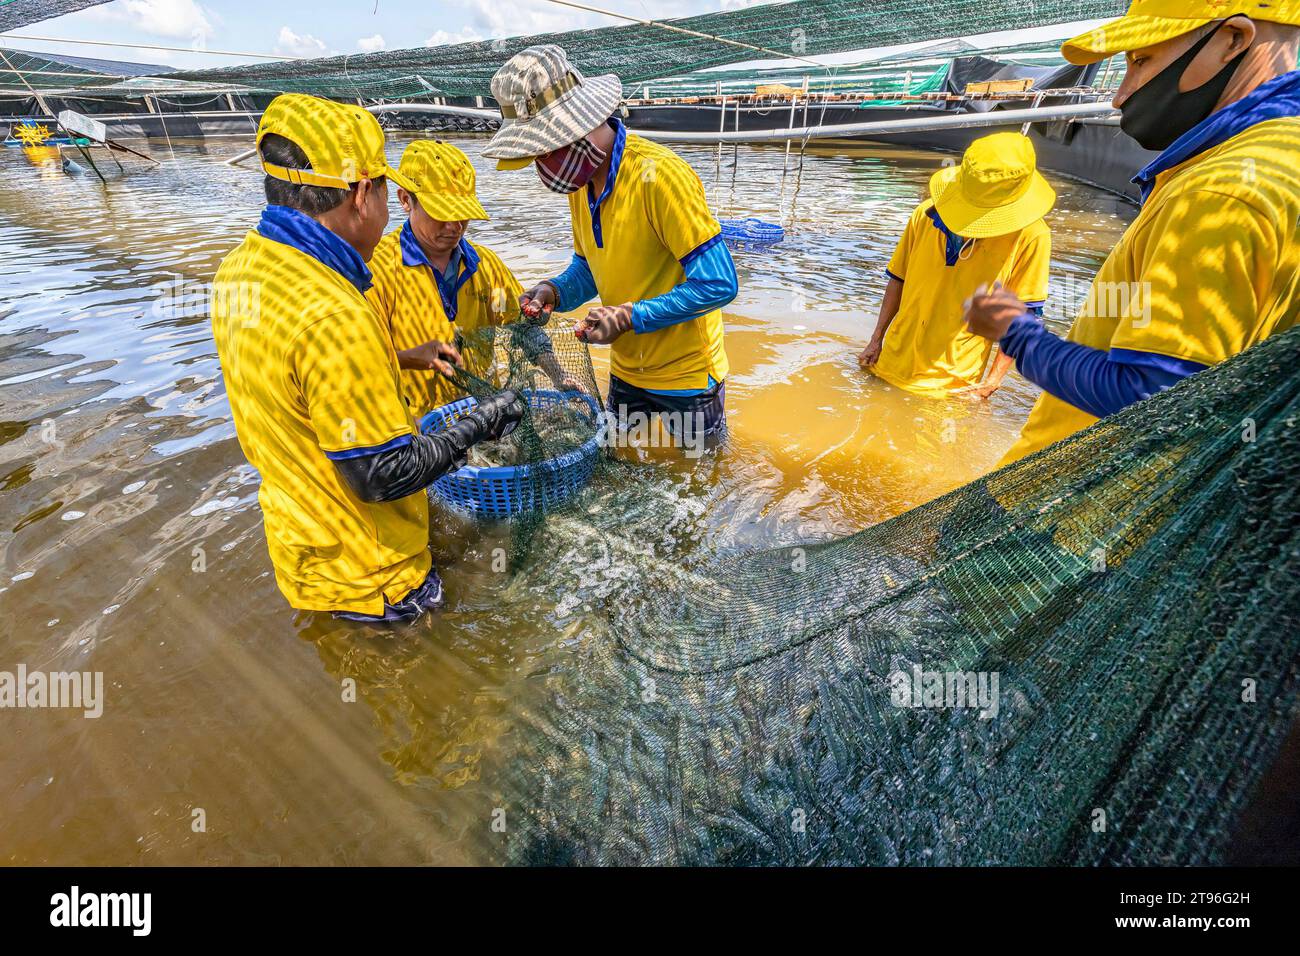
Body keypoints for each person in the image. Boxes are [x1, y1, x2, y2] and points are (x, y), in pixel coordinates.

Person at [210, 94, 524, 623]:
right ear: (365, 195)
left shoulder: (240, 271)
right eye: (380, 190)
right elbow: (382, 473)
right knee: (443, 695)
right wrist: (483, 423)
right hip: (377, 575)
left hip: (307, 556)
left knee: (357, 687)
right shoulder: (335, 311)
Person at [965, 1, 1300, 464]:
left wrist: (1015, 332)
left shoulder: (1222, 190)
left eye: (1141, 61)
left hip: (1073, 500)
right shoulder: (1282, 159)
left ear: (1233, 40)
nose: (1120, 96)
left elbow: (1158, 401)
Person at [482, 44, 738, 444]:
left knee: (697, 486)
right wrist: (554, 290)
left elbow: (719, 283)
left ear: (575, 132)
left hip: (687, 379)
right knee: (618, 465)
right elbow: (591, 267)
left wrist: (629, 317)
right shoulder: (580, 186)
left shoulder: (660, 177)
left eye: (543, 151)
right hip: (626, 371)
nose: (540, 165)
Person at [366, 139, 580, 419]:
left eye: (463, 214)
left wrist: (558, 375)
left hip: (479, 417)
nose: (455, 226)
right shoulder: (375, 269)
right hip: (412, 426)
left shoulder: (486, 266)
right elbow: (357, 361)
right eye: (442, 213)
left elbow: (523, 329)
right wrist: (408, 358)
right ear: (406, 199)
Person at [858, 132, 1053, 398]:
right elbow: (898, 279)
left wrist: (992, 381)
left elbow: (1023, 315)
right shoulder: (925, 214)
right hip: (891, 361)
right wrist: (876, 339)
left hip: (954, 385)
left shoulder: (1030, 235)